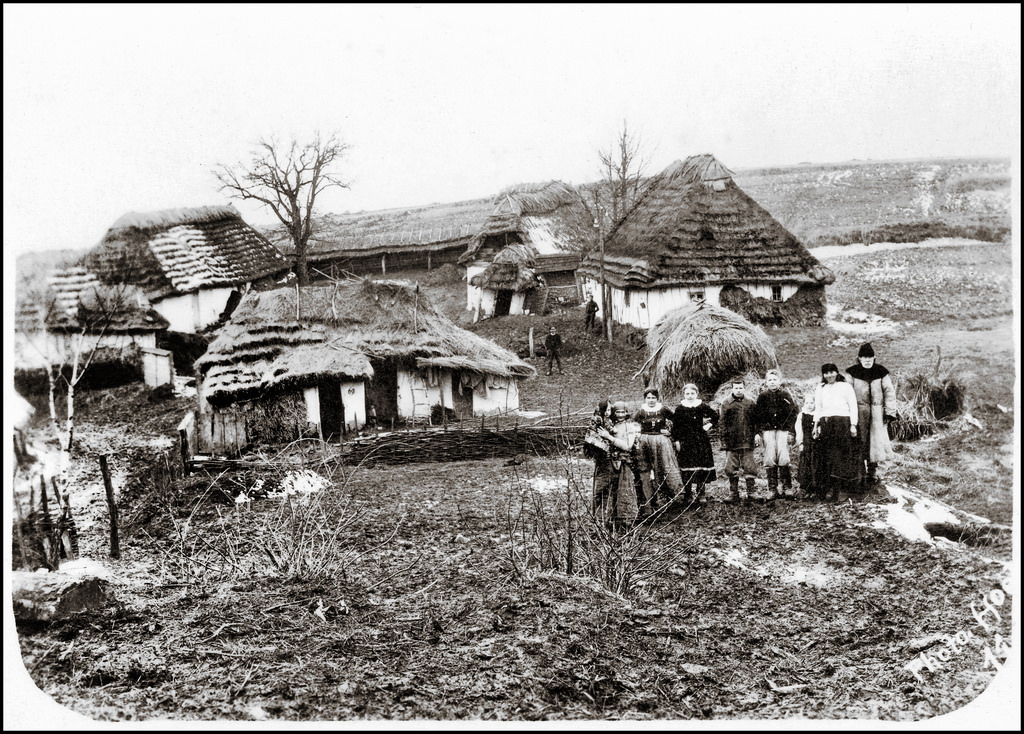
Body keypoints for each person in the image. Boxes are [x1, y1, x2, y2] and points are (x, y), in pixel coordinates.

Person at [845, 342, 896, 490]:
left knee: (875, 442)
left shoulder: (881, 373)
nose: (867, 360)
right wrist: (848, 414)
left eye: (870, 357)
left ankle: (872, 472)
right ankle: (859, 473)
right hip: (858, 412)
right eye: (864, 357)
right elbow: (847, 393)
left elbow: (889, 392)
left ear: (874, 358)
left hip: (877, 413)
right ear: (859, 358)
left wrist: (889, 412)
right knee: (859, 441)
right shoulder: (852, 373)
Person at [632, 387, 685, 515]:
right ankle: (651, 499)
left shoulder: (663, 409)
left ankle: (672, 497)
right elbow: (632, 425)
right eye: (648, 398)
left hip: (662, 442)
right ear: (645, 399)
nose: (651, 400)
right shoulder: (640, 411)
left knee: (665, 466)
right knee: (649, 469)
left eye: (653, 398)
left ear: (657, 398)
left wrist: (670, 432)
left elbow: (678, 422)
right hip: (645, 442)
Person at [813, 363, 861, 501]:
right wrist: (816, 425)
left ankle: (841, 490)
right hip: (826, 423)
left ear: (837, 372)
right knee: (827, 455)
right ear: (823, 375)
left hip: (842, 423)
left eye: (832, 372)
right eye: (826, 373)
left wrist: (853, 425)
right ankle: (829, 490)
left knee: (841, 455)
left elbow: (853, 406)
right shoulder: (821, 388)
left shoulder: (845, 386)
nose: (829, 375)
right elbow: (818, 407)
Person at [592, 401, 641, 529]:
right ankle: (601, 521)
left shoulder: (629, 427)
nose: (620, 415)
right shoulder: (608, 424)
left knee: (623, 492)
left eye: (622, 412)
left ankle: (623, 522)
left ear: (626, 413)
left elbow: (627, 446)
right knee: (603, 491)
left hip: (623, 463)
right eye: (617, 412)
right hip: (606, 463)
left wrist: (609, 437)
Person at [753, 369, 799, 502]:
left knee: (783, 456)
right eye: (770, 380)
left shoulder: (785, 395)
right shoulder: (762, 397)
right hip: (768, 430)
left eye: (775, 380)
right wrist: (758, 432)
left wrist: (791, 432)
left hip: (783, 430)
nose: (772, 382)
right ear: (766, 382)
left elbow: (793, 414)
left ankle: (787, 487)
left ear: (779, 381)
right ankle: (772, 489)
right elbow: (757, 416)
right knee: (770, 456)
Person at [670, 383, 719, 509]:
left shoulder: (701, 406)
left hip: (700, 440)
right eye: (687, 394)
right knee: (687, 466)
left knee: (701, 464)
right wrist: (676, 441)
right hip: (686, 441)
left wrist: (707, 426)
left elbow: (715, 416)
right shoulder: (680, 409)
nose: (690, 396)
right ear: (683, 394)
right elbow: (676, 426)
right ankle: (688, 494)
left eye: (692, 393)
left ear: (697, 394)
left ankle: (701, 493)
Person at [720, 378, 759, 505]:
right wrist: (724, 441)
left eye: (740, 388)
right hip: (732, 442)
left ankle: (751, 492)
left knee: (749, 466)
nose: (738, 390)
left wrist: (756, 434)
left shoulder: (750, 402)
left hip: (747, 440)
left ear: (744, 388)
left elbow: (755, 421)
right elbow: (722, 423)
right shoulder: (726, 403)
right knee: (731, 467)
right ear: (732, 389)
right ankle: (733, 493)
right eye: (736, 388)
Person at [794, 390, 821, 500]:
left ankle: (816, 490)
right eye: (807, 403)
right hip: (806, 444)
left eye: (812, 403)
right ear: (804, 404)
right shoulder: (802, 415)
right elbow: (799, 430)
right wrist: (800, 443)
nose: (809, 405)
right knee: (806, 466)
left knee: (816, 466)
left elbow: (820, 429)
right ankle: (806, 489)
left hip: (816, 445)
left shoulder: (818, 415)